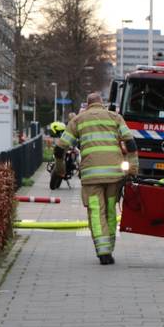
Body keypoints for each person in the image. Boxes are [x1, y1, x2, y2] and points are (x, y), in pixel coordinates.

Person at [54, 92, 139, 265]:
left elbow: (59, 149)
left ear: (87, 104)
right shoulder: (115, 117)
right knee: (109, 209)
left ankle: (103, 251)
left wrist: (61, 170)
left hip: (91, 176)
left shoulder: (78, 120)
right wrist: (132, 170)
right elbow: (131, 143)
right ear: (102, 104)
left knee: (95, 210)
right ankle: (110, 247)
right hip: (114, 175)